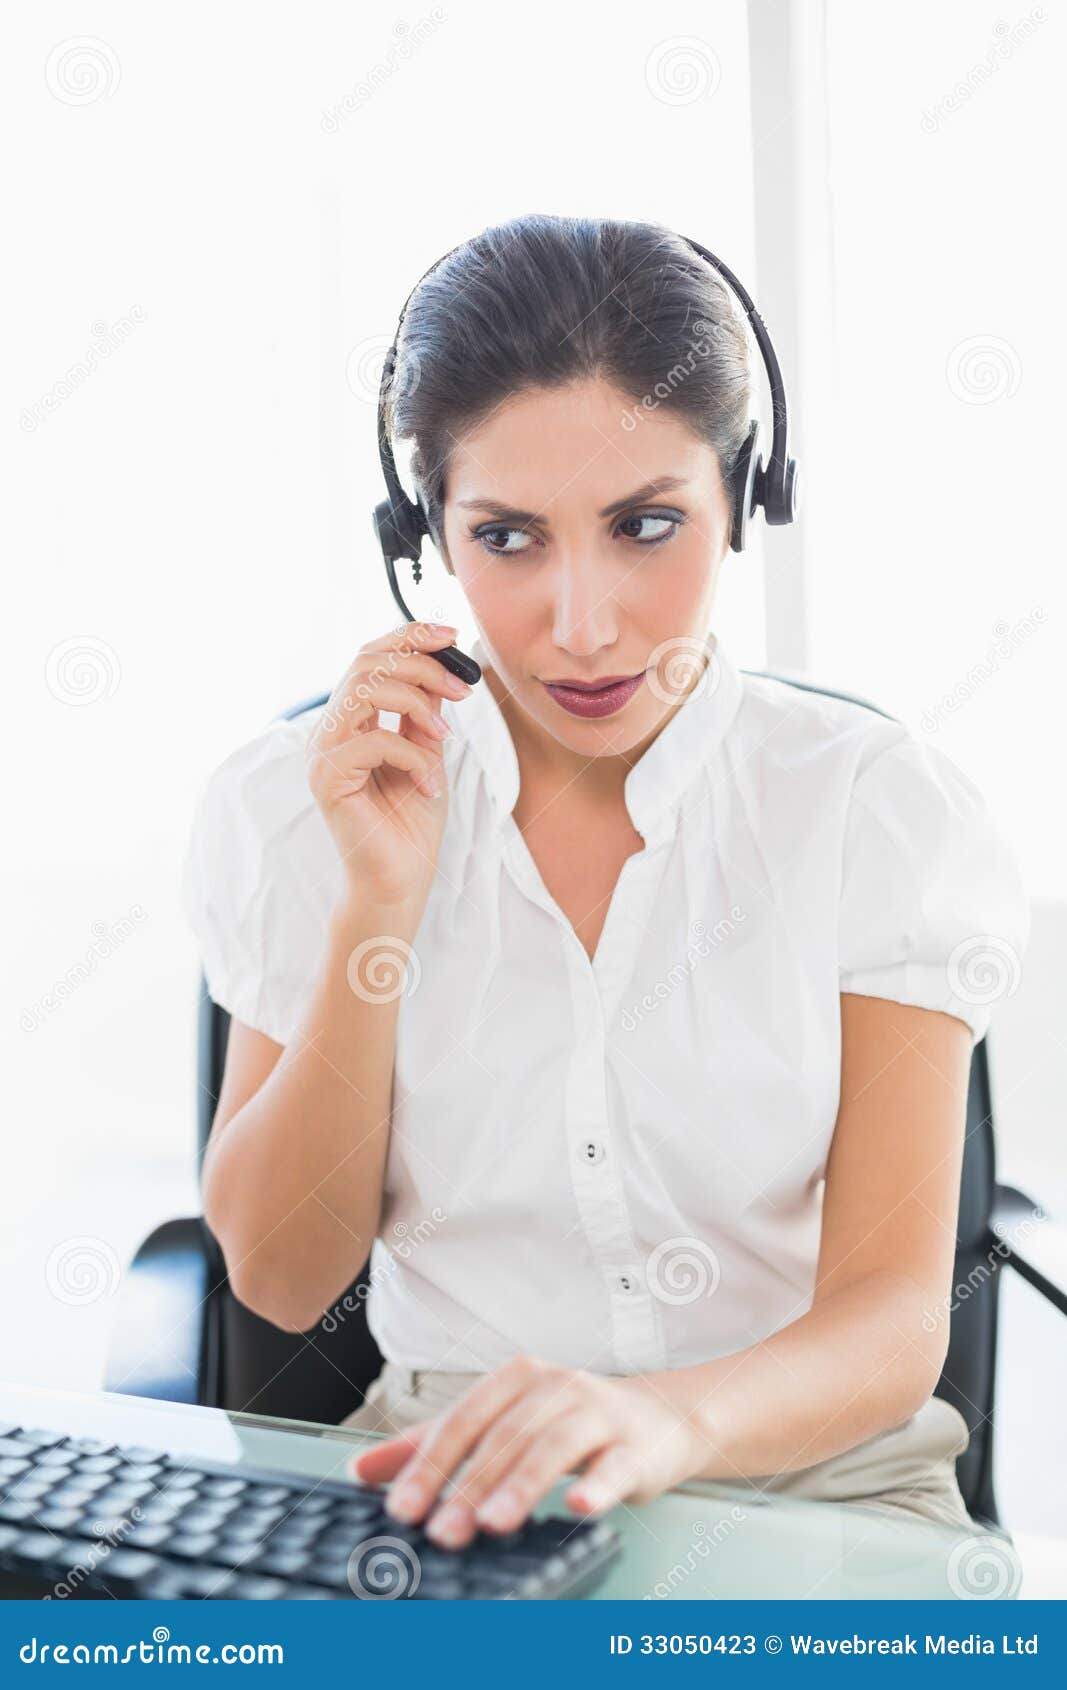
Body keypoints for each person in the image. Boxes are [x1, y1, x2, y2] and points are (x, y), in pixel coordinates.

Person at [180, 214, 1030, 1566]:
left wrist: (657, 1424)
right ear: (425, 535)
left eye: (647, 525)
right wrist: (376, 907)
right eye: (507, 537)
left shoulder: (868, 808)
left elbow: (888, 1319)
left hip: (819, 1489)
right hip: (446, 1484)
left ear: (747, 498)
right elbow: (282, 1279)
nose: (583, 621)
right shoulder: (301, 806)